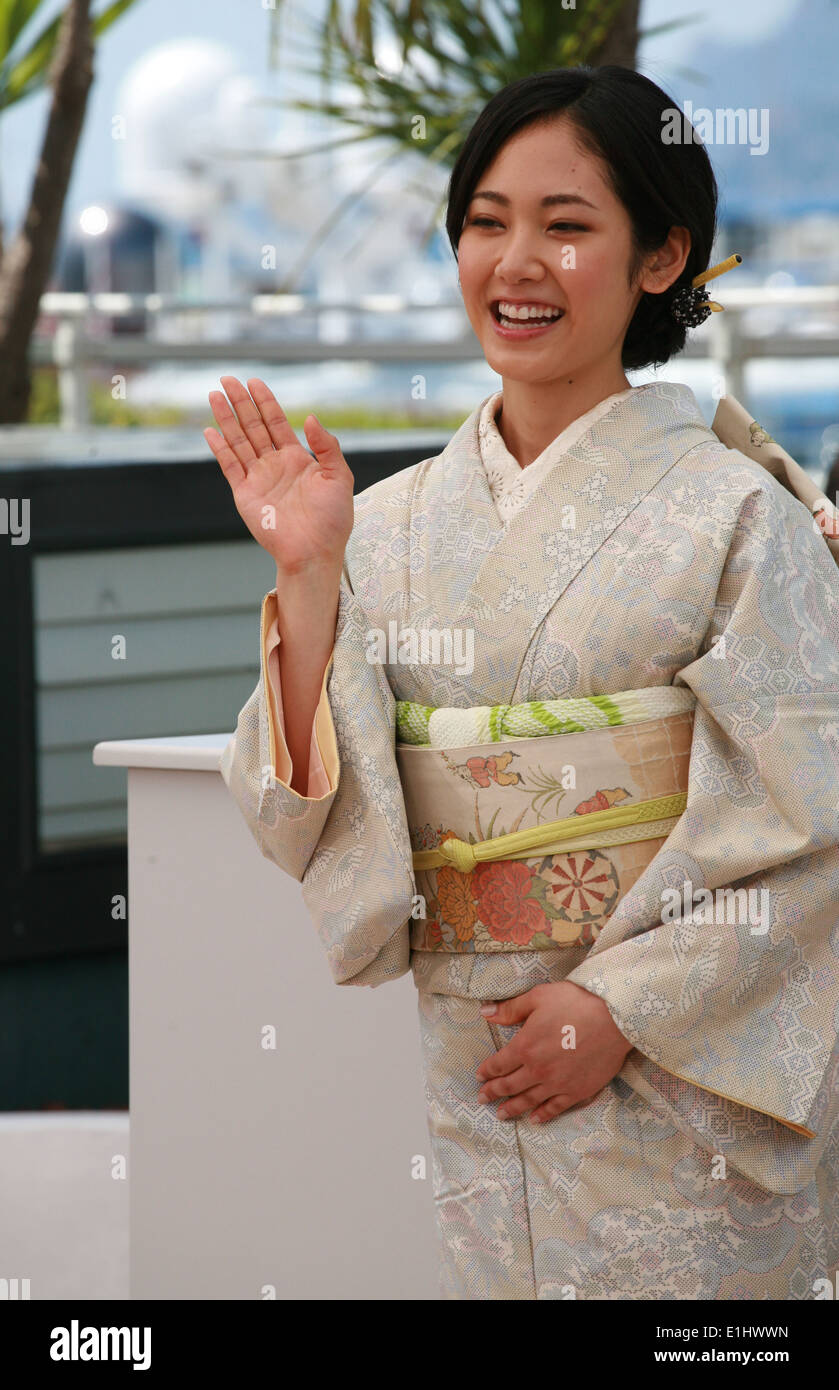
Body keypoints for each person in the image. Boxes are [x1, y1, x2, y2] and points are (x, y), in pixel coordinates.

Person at [204, 65, 839, 1300]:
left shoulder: (735, 514)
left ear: (661, 257)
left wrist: (619, 1009)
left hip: (677, 1075)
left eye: (565, 225)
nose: (515, 262)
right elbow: (294, 810)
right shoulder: (384, 523)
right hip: (476, 1056)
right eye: (485, 222)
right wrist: (310, 573)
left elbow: (811, 822)